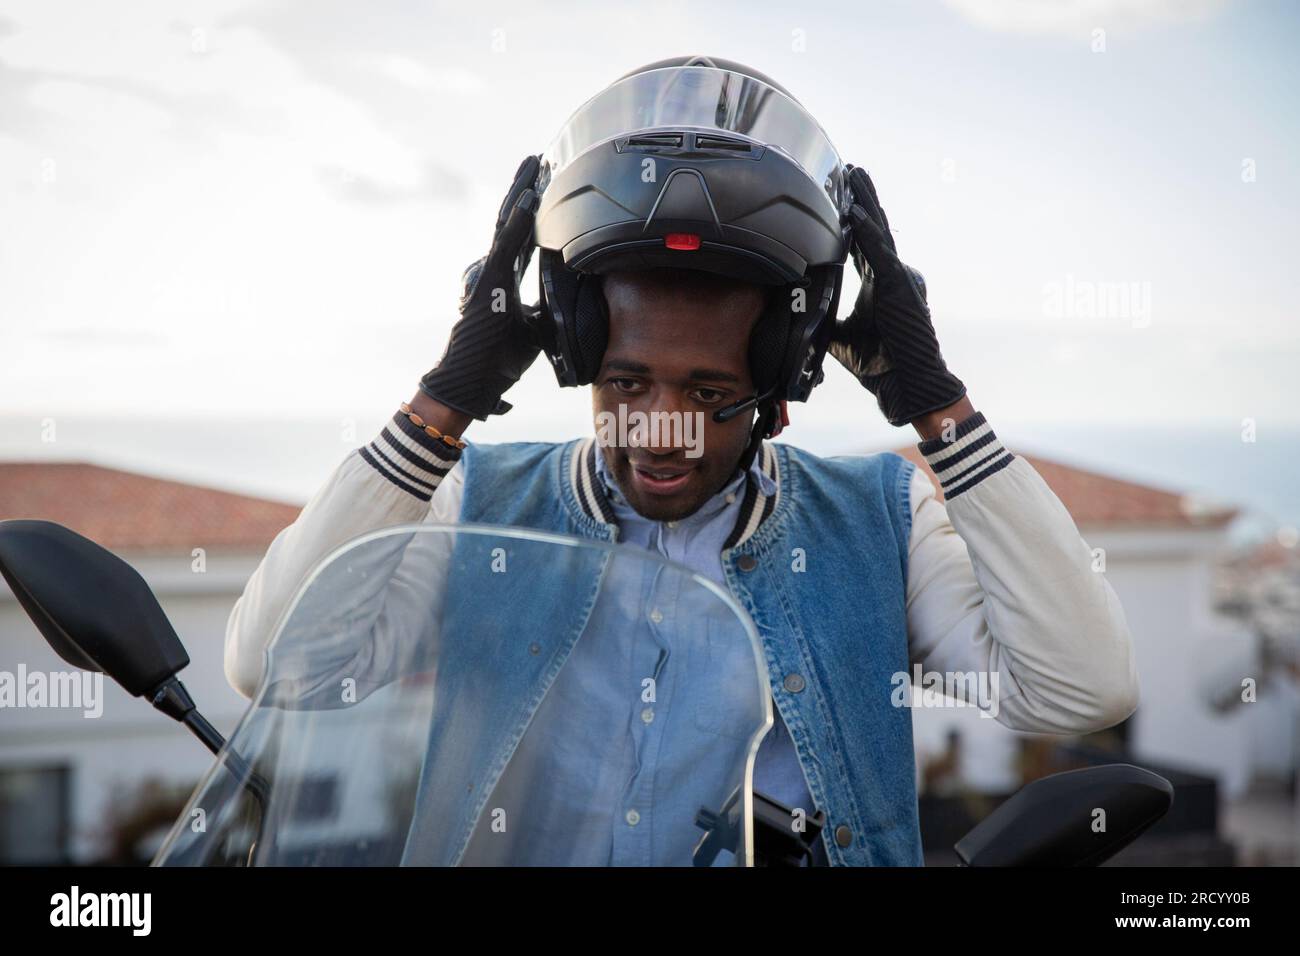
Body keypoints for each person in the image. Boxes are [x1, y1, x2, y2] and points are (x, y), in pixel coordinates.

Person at [223, 62, 1138, 866]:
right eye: (626, 381)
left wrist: (940, 408)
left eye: (708, 394)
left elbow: (1081, 684)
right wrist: (440, 408)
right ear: (579, 356)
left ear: (777, 380)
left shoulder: (884, 522)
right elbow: (279, 664)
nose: (662, 431)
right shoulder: (477, 507)